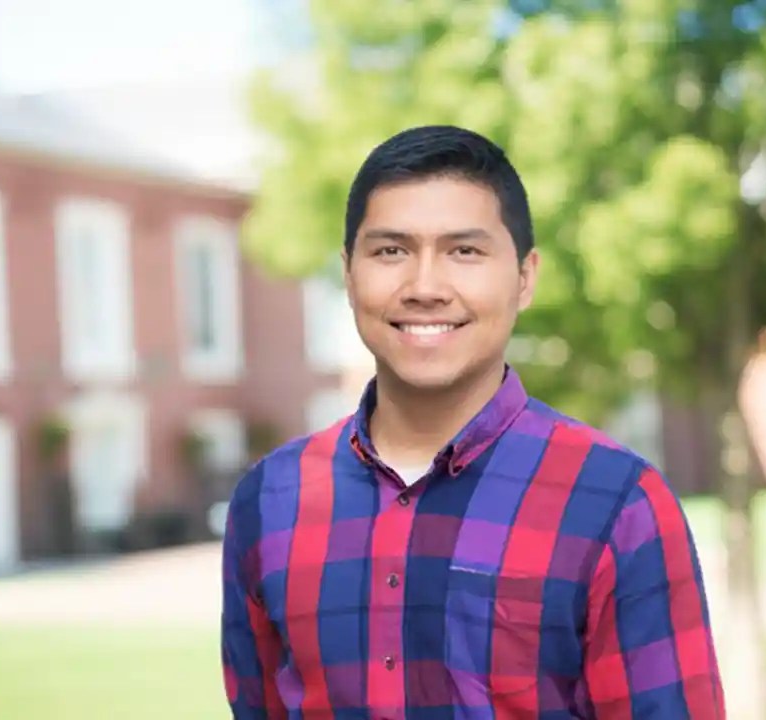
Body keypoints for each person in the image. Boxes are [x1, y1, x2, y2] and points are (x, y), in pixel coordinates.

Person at [221, 125, 724, 719]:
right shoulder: (270, 500)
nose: (425, 287)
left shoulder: (618, 503)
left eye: (464, 251)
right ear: (349, 275)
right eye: (390, 251)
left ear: (525, 277)